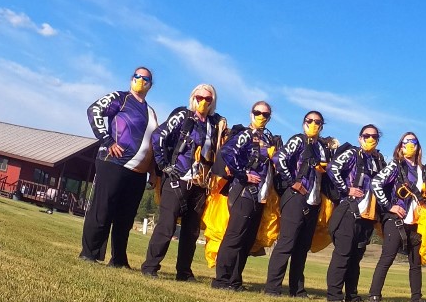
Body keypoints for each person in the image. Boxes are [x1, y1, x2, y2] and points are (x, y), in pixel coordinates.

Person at [141, 83, 228, 281]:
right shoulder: (183, 116)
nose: (203, 102)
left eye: (208, 99)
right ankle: (150, 266)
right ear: (193, 98)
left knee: (191, 230)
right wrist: (163, 165)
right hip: (177, 178)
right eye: (200, 97)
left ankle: (184, 272)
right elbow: (158, 136)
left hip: (200, 183)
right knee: (166, 224)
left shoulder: (214, 123)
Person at [80, 67, 159, 269]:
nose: (141, 81)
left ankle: (118, 259)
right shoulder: (120, 98)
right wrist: (106, 140)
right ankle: (90, 252)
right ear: (131, 78)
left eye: (146, 79)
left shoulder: (151, 112)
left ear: (151, 84)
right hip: (113, 162)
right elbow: (94, 109)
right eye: (138, 77)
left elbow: (153, 141)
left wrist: (152, 170)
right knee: (103, 208)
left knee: (125, 217)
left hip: (138, 172)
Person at [212, 100, 281, 290]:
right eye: (257, 112)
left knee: (247, 240)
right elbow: (227, 152)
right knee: (234, 237)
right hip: (243, 193)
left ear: (269, 118)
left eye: (265, 114)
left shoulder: (268, 139)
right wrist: (242, 173)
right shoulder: (246, 135)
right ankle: (221, 280)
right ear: (251, 114)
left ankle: (235, 280)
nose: (261, 116)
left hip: (260, 197)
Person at [366, 132, 426, 302]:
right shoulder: (395, 166)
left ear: (418, 146)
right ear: (400, 147)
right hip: (396, 219)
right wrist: (389, 206)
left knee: (416, 263)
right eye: (406, 142)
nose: (410, 145)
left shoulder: (424, 170)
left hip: (417, 221)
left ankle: (417, 300)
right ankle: (374, 297)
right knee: (387, 258)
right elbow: (376, 183)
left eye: (413, 141)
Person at [263, 110, 330, 297]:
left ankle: (297, 289)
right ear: (304, 123)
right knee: (286, 243)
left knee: (302, 248)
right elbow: (279, 158)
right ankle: (272, 288)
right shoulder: (298, 140)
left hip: (314, 201)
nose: (314, 124)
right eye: (310, 121)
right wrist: (293, 182)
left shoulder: (322, 148)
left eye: (318, 122)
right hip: (295, 197)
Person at [324, 124, 387, 302]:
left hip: (368, 216)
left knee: (356, 257)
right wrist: (346, 189)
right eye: (366, 136)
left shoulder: (379, 160)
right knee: (343, 254)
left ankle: (352, 295)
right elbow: (332, 168)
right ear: (360, 138)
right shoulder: (352, 154)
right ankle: (334, 296)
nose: (370, 139)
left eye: (374, 137)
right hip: (349, 210)